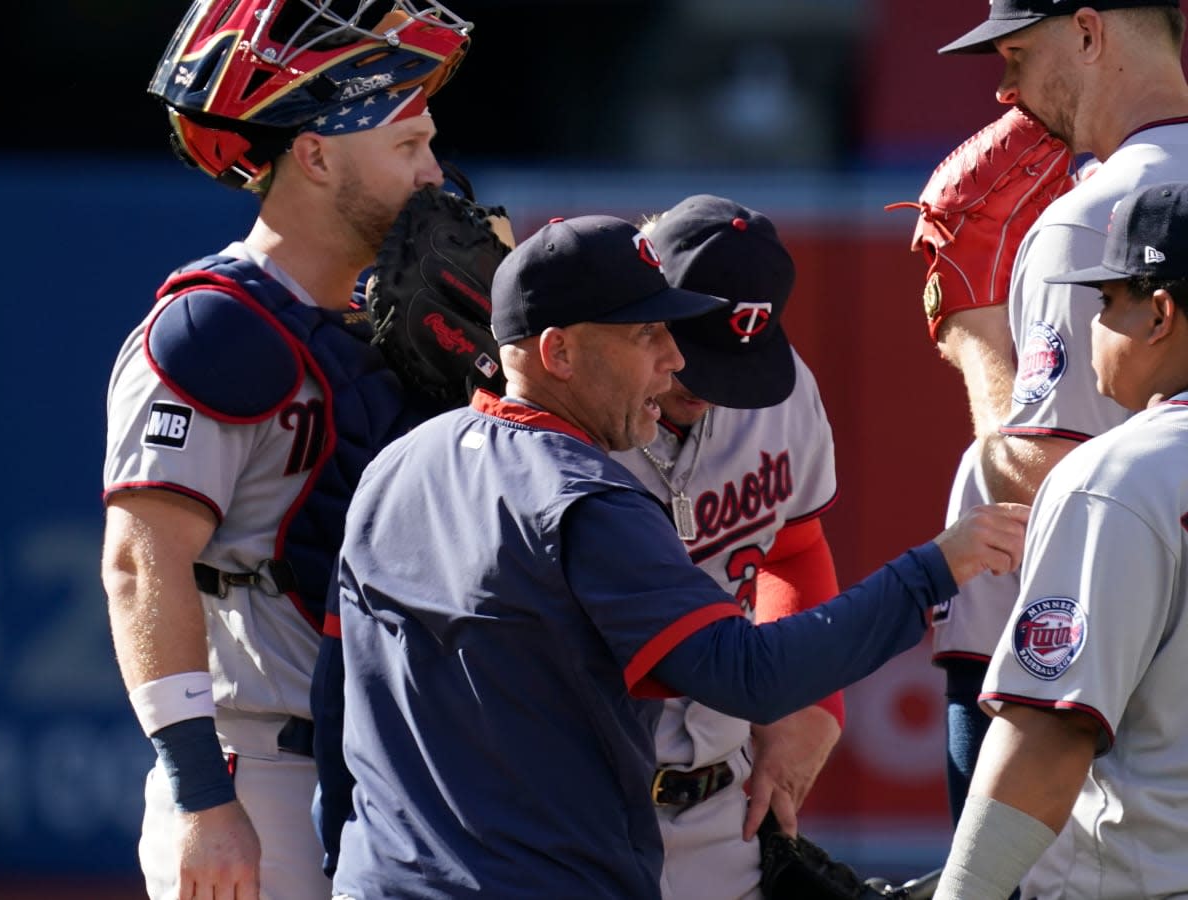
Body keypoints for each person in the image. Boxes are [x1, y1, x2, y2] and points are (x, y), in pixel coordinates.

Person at [324, 212, 1029, 899]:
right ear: (558, 353)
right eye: (646, 334)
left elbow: (340, 683)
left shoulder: (397, 466)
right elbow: (747, 674)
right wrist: (931, 571)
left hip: (388, 872)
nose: (673, 357)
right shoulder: (587, 503)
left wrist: (338, 850)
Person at [99, 2, 473, 897]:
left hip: (404, 772)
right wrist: (200, 798)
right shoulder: (214, 328)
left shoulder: (405, 324)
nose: (434, 172)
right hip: (265, 779)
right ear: (315, 155)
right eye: (407, 145)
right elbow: (140, 564)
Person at [926, 0, 1188, 827]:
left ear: (1086, 31)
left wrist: (974, 334)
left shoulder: (1091, 215)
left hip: (1106, 713)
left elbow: (1044, 484)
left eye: (1016, 55)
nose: (1006, 90)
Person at [933, 182, 1188, 899]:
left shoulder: (1120, 475)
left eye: (1106, 301)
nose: (1095, 324)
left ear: (1160, 314)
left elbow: (1050, 734)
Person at [610, 195, 842, 900]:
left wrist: (810, 703)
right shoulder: (568, 417)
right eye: (697, 353)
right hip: (579, 803)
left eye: (736, 361)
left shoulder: (785, 393)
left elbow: (793, 548)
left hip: (722, 807)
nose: (711, 390)